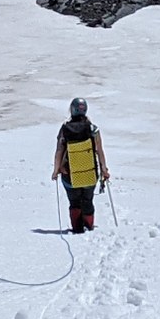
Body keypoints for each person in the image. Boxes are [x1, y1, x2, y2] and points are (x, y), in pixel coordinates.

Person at [52, 97, 109, 233]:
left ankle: (77, 227)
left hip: (69, 174)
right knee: (87, 199)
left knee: (74, 202)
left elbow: (59, 151)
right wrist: (104, 169)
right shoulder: (92, 129)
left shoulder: (65, 129)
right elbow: (99, 151)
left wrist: (56, 170)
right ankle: (89, 225)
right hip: (89, 173)